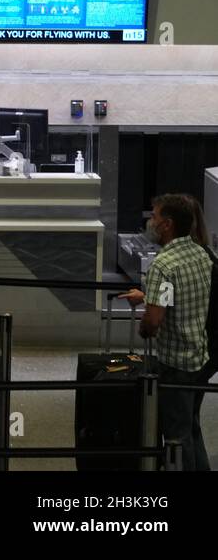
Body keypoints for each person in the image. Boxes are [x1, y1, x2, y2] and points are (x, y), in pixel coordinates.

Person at [119, 194, 212, 471]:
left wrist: (145, 325)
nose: (151, 221)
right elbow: (174, 296)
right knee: (192, 427)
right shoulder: (199, 254)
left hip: (174, 362)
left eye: (155, 217)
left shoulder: (163, 264)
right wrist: (150, 296)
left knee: (177, 435)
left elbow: (155, 320)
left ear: (167, 224)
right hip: (199, 357)